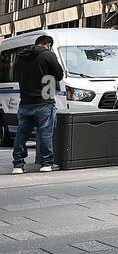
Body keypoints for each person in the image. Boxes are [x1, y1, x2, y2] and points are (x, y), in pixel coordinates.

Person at [11, 34, 64, 174]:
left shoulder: (21, 57)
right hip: (44, 101)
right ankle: (46, 163)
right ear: (48, 44)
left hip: (25, 102)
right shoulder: (48, 55)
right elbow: (59, 75)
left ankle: (17, 165)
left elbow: (16, 75)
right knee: (45, 133)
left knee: (21, 134)